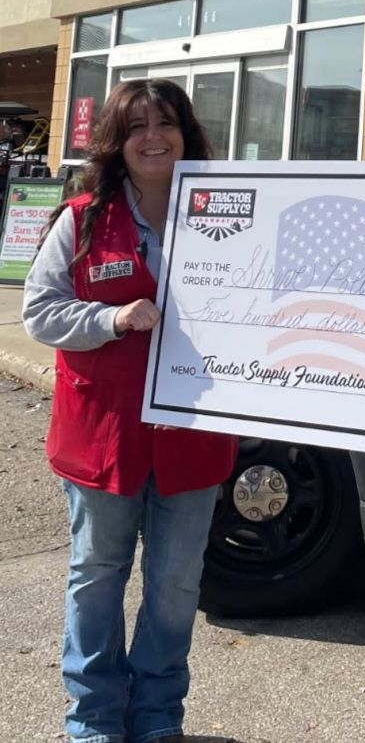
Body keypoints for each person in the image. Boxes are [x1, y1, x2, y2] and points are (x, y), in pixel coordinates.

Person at [23, 79, 238, 743]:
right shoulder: (83, 218)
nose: (154, 136)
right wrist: (112, 317)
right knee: (97, 576)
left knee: (175, 584)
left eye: (166, 122)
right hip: (103, 436)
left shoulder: (231, 215)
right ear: (117, 139)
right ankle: (92, 717)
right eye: (138, 124)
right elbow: (39, 310)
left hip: (193, 434)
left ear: (186, 132)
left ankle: (155, 718)